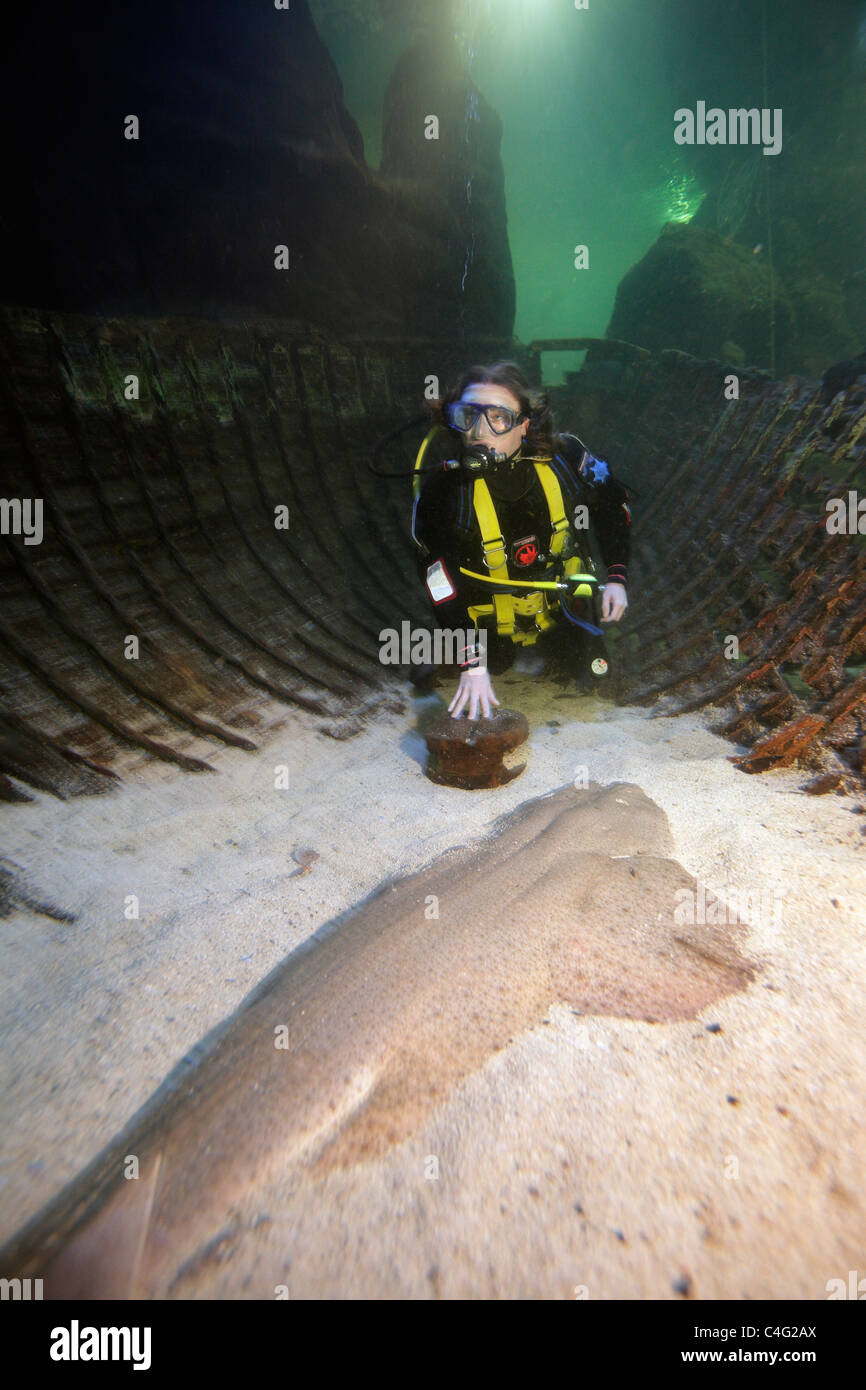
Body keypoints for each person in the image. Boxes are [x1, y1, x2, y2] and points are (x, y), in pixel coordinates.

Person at [411, 361, 631, 719]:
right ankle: (459, 653)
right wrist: (472, 660)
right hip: (487, 626)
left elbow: (612, 509)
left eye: (498, 416)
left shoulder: (568, 459)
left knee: (595, 674)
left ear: (525, 424)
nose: (480, 430)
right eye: (468, 415)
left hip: (562, 611)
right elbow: (437, 580)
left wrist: (617, 579)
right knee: (489, 666)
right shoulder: (442, 491)